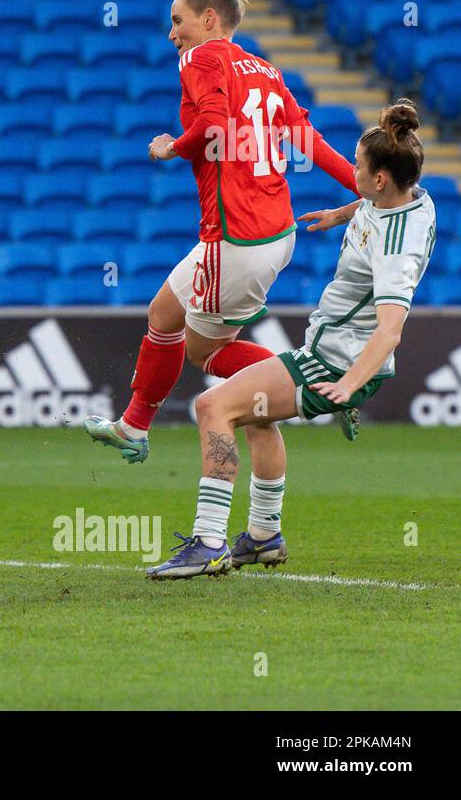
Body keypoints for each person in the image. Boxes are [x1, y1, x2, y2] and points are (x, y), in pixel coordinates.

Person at [146, 101, 436, 579]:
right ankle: (263, 538)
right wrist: (342, 214)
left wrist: (347, 388)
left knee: (213, 408)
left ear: (381, 179)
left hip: (335, 362)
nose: (353, 172)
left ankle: (208, 541)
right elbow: (372, 205)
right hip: (329, 353)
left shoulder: (395, 250)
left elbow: (391, 329)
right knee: (255, 415)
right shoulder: (412, 197)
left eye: (359, 168)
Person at [84, 0, 361, 465]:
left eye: (178, 20)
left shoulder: (200, 59)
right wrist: (360, 186)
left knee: (206, 353)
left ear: (209, 19)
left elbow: (211, 125)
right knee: (163, 315)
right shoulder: (266, 70)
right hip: (275, 231)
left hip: (236, 236)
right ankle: (133, 425)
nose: (171, 33)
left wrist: (172, 148)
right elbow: (308, 141)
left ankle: (322, 380)